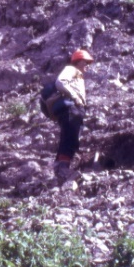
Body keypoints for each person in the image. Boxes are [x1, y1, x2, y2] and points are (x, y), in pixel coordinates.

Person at [52, 49, 93, 181]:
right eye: (86, 62)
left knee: (70, 135)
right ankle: (63, 168)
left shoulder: (78, 75)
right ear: (79, 61)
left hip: (76, 108)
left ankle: (60, 167)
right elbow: (60, 82)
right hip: (72, 107)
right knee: (70, 136)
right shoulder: (71, 69)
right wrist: (75, 96)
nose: (88, 65)